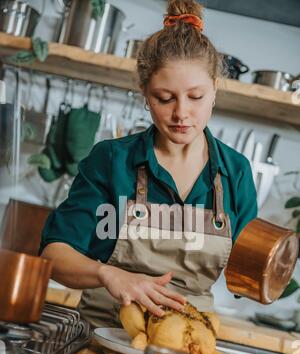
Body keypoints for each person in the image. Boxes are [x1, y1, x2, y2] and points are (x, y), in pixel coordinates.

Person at [40, 0, 257, 328]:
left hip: (185, 343)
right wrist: (107, 273)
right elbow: (54, 257)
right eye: (164, 98)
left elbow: (252, 277)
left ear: (215, 88)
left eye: (195, 97)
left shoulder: (235, 171)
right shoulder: (112, 161)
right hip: (101, 335)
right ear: (144, 93)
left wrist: (277, 265)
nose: (181, 113)